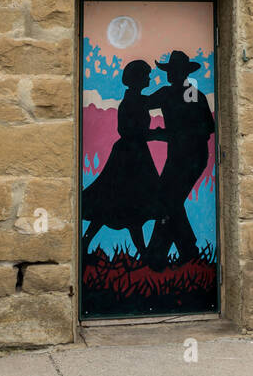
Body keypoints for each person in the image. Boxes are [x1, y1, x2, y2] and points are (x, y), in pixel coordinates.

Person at [81, 59, 164, 261]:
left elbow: (155, 104)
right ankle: (143, 253)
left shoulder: (137, 99)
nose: (149, 78)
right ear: (137, 79)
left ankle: (142, 252)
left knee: (127, 203)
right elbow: (127, 130)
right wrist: (154, 134)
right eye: (145, 75)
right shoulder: (130, 102)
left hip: (135, 154)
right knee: (122, 201)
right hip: (129, 156)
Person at [145, 50, 215, 268]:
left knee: (168, 200)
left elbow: (204, 129)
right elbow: (143, 103)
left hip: (191, 157)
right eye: (170, 71)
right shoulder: (167, 93)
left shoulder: (193, 95)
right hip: (178, 156)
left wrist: (163, 134)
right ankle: (184, 250)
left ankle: (161, 254)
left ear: (183, 73)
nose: (171, 75)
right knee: (169, 201)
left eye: (175, 71)